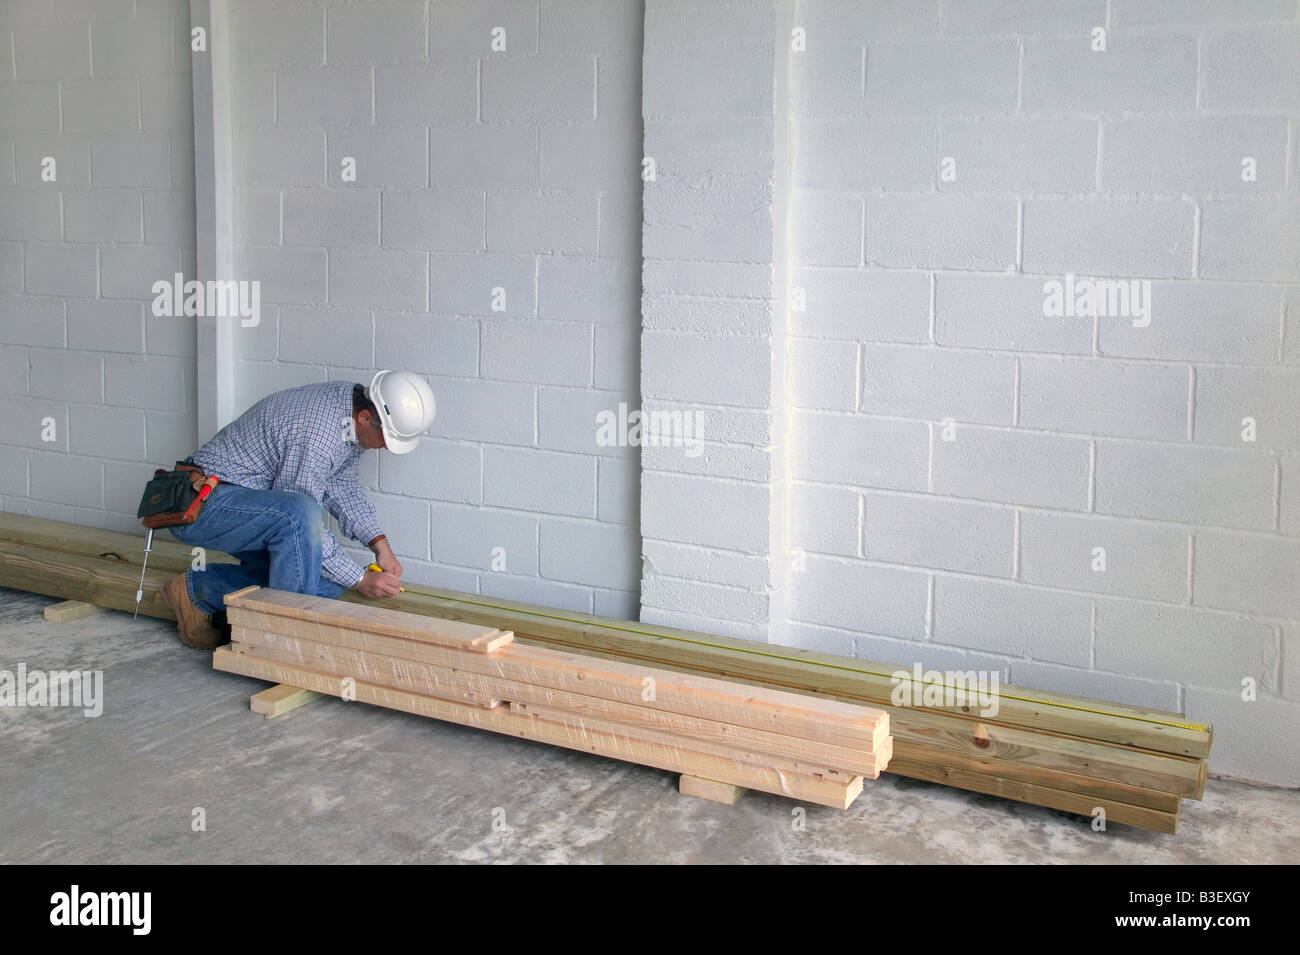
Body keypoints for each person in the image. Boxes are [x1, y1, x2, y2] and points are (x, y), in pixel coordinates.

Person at [160, 370, 436, 649]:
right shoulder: (317, 433)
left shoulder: (349, 412)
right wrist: (362, 579)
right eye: (388, 439)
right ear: (366, 418)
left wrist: (380, 545)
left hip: (248, 507)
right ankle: (280, 646)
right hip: (203, 507)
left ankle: (200, 589)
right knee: (304, 520)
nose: (387, 448)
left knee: (327, 582)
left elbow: (341, 484)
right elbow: (300, 521)